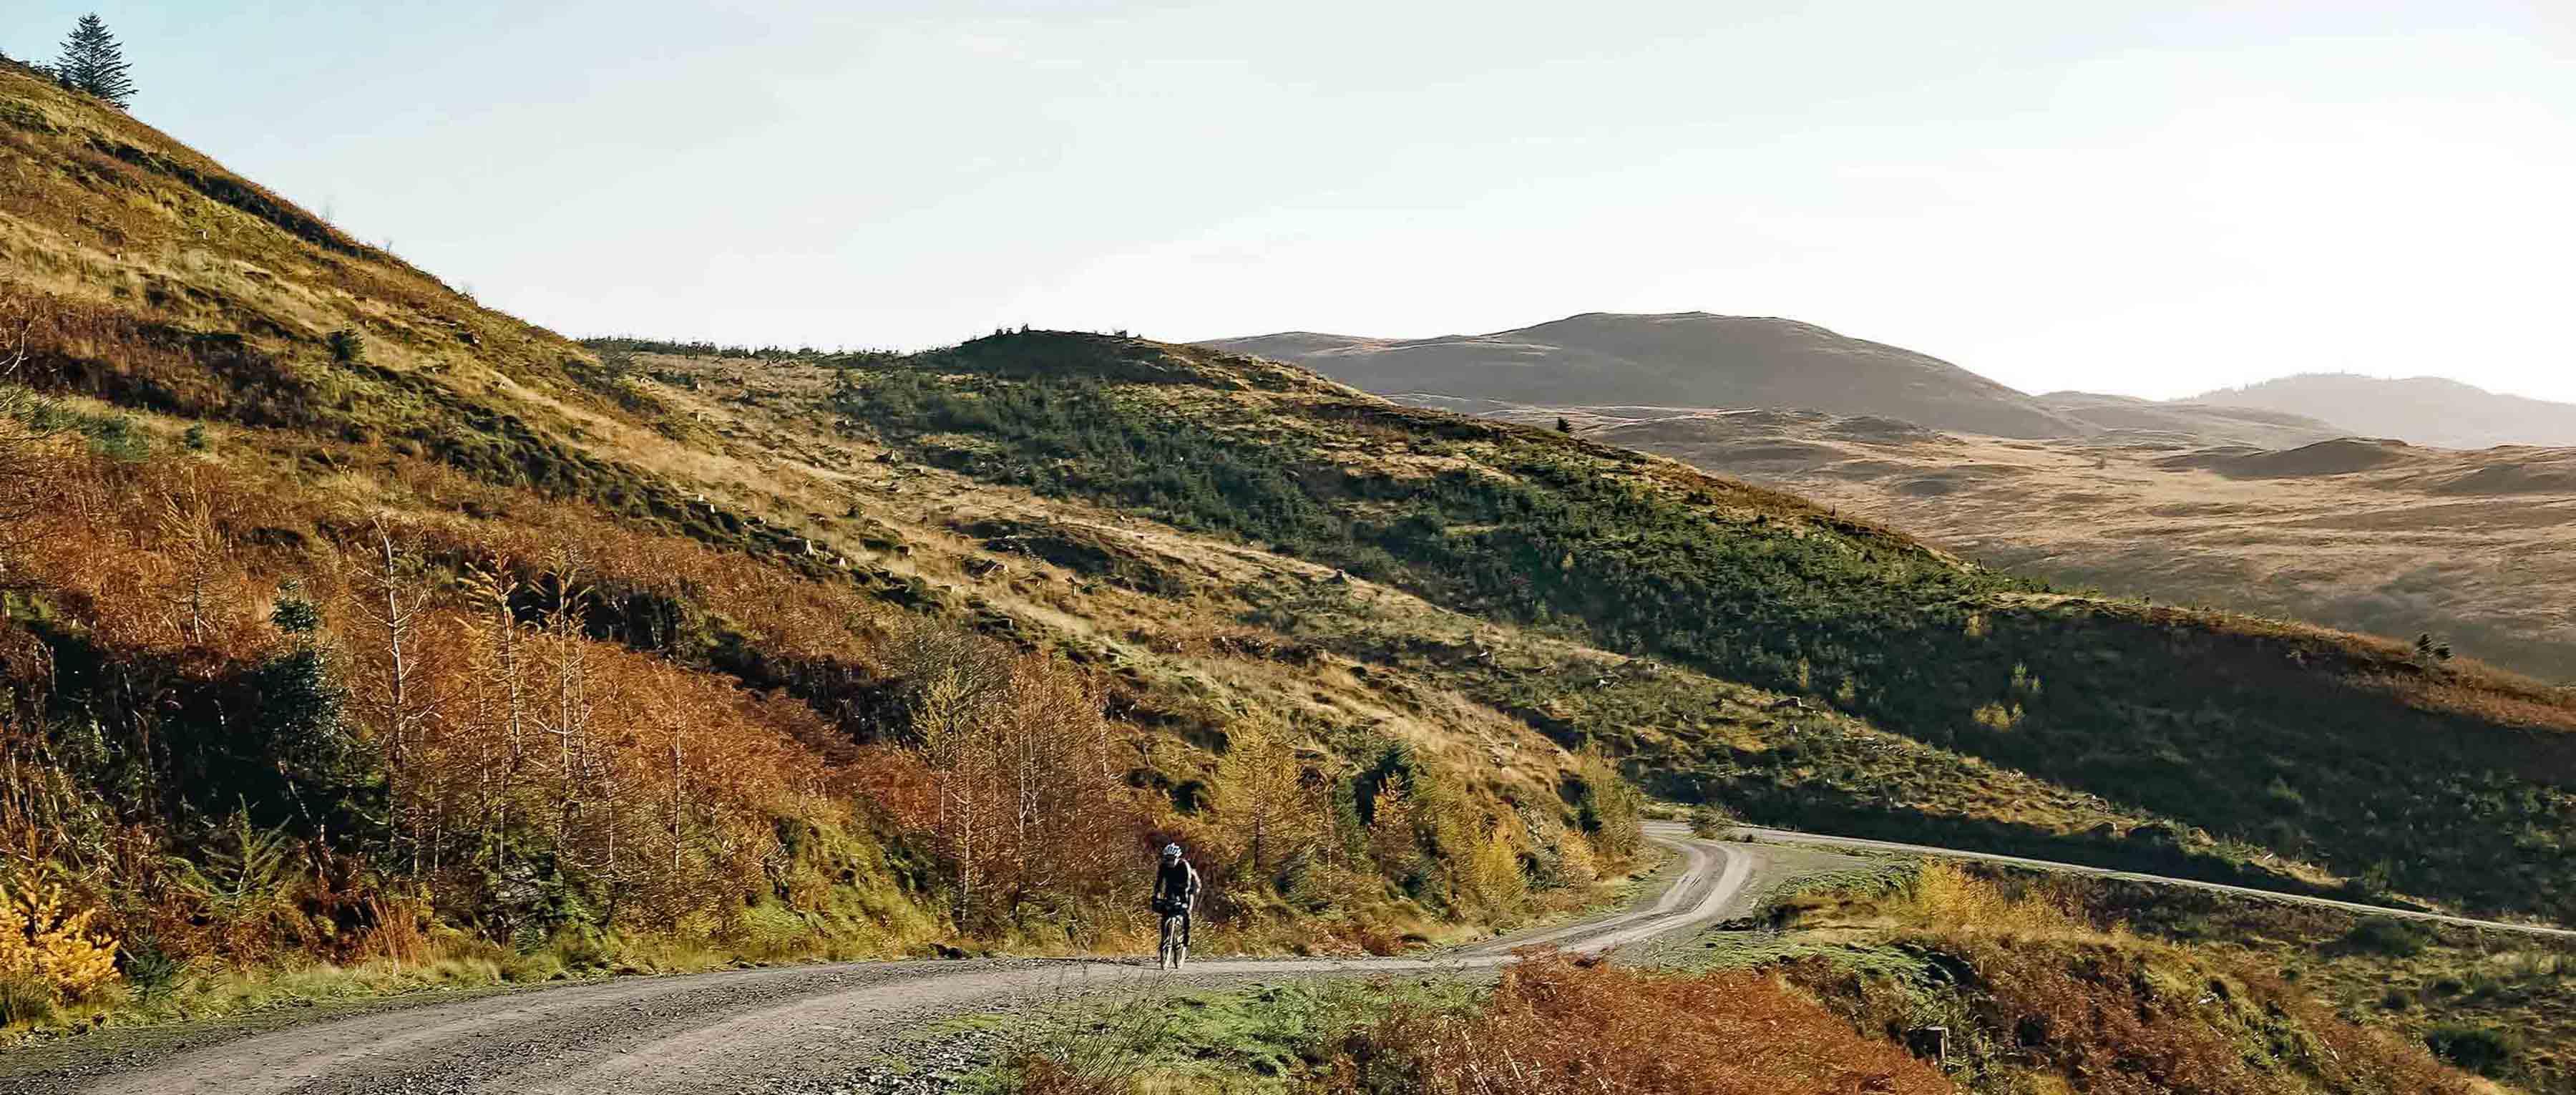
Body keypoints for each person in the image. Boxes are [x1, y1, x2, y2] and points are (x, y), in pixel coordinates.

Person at [1151, 842, 1200, 969]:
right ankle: (1165, 942)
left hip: (1188, 889)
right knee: (1166, 912)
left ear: (1178, 858)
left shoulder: (1184, 866)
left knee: (1186, 913)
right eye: (1167, 859)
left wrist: (1183, 903)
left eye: (1172, 859)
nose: (1170, 862)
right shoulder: (1164, 867)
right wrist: (1156, 897)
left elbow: (1187, 886)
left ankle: (1185, 942)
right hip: (1171, 888)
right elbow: (1159, 884)